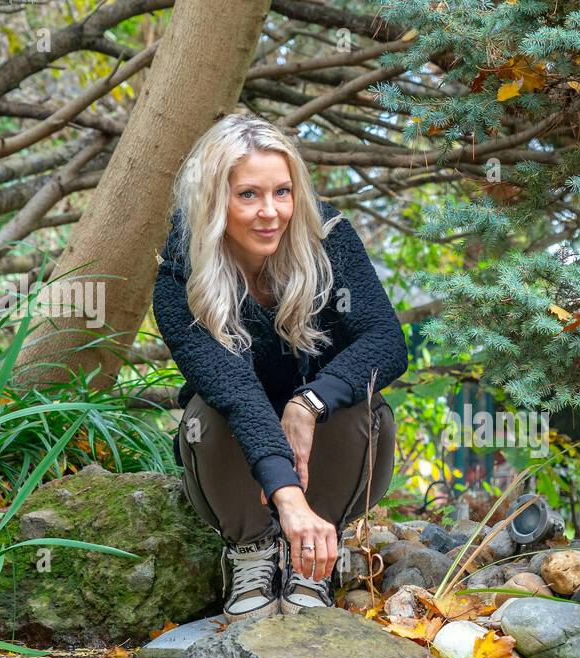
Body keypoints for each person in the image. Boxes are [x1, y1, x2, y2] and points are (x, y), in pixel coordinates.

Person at [152, 111, 407, 620]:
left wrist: (311, 401)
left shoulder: (328, 238)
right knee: (210, 408)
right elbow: (236, 391)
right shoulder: (181, 275)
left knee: (358, 398)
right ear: (213, 201)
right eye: (248, 194)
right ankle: (251, 550)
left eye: (282, 192)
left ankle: (314, 555)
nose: (271, 212)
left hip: (336, 449)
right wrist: (287, 499)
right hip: (231, 464)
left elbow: (387, 342)